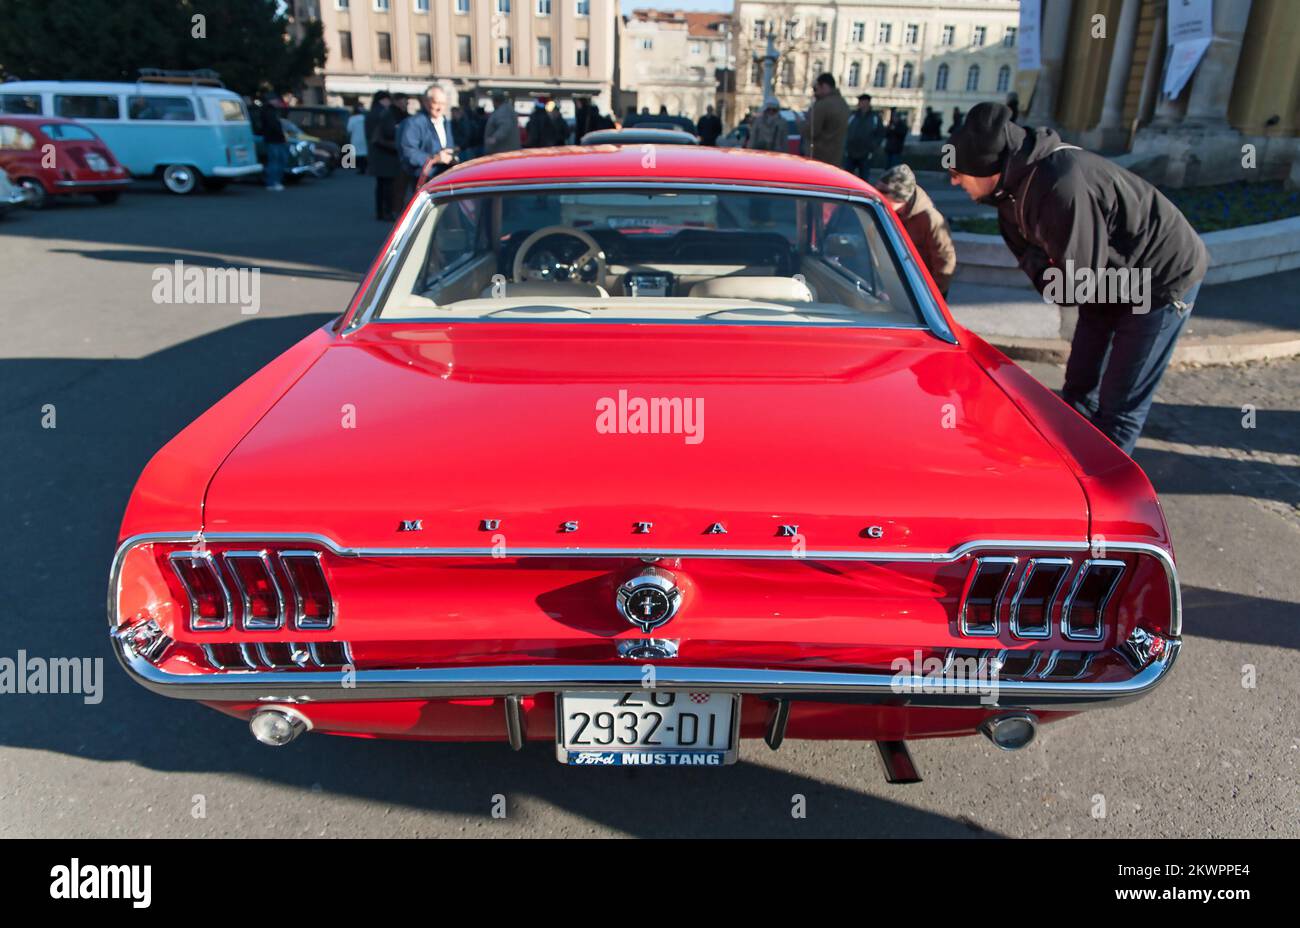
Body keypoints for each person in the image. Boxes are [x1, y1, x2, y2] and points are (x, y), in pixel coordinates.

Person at [947, 102, 1209, 455]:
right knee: (1079, 386)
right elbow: (1047, 274)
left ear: (985, 168)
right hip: (1105, 282)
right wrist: (1053, 271)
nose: (953, 180)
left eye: (958, 172)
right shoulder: (1006, 201)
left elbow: (1073, 283)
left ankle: (1102, 494)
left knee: (1119, 403)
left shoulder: (1061, 182)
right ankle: (1066, 464)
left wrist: (1054, 271)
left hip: (1159, 280)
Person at [876, 164, 956, 297]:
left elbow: (945, 260)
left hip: (923, 292)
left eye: (884, 196)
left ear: (900, 199)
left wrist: (933, 295)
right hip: (894, 286)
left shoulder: (931, 219)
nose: (879, 200)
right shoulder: (886, 212)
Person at [398, 84, 456, 206]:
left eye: (443, 103)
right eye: (436, 103)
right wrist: (435, 158)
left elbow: (447, 146)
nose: (440, 107)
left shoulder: (445, 121)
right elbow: (408, 153)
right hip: (424, 181)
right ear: (425, 102)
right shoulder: (413, 123)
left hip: (444, 178)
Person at [369, 91, 406, 220]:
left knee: (380, 186)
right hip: (387, 154)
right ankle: (387, 212)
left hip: (376, 153)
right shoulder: (385, 113)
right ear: (383, 100)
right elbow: (389, 131)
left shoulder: (372, 112)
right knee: (388, 186)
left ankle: (380, 212)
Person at [805, 72, 849, 166]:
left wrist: (801, 123)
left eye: (816, 88)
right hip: (836, 158)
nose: (815, 91)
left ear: (824, 86)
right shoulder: (843, 104)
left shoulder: (822, 105)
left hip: (820, 157)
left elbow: (811, 132)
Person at [844, 93, 883, 180]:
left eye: (862, 101)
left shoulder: (875, 117)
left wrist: (873, 147)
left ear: (868, 103)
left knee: (864, 178)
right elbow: (846, 131)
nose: (860, 103)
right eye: (860, 101)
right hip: (851, 152)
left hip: (866, 153)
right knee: (847, 177)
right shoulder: (853, 116)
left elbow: (880, 134)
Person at [259, 92, 288, 191]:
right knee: (275, 162)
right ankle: (272, 182)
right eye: (276, 100)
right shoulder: (269, 111)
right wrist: (281, 135)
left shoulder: (270, 111)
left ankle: (275, 182)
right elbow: (273, 126)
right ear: (271, 100)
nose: (278, 102)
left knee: (277, 161)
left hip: (275, 139)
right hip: (274, 139)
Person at [346, 103, 368, 173]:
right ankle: (363, 168)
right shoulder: (365, 118)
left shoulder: (352, 119)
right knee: (364, 153)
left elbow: (349, 129)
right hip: (364, 137)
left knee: (355, 152)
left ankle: (355, 166)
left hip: (355, 137)